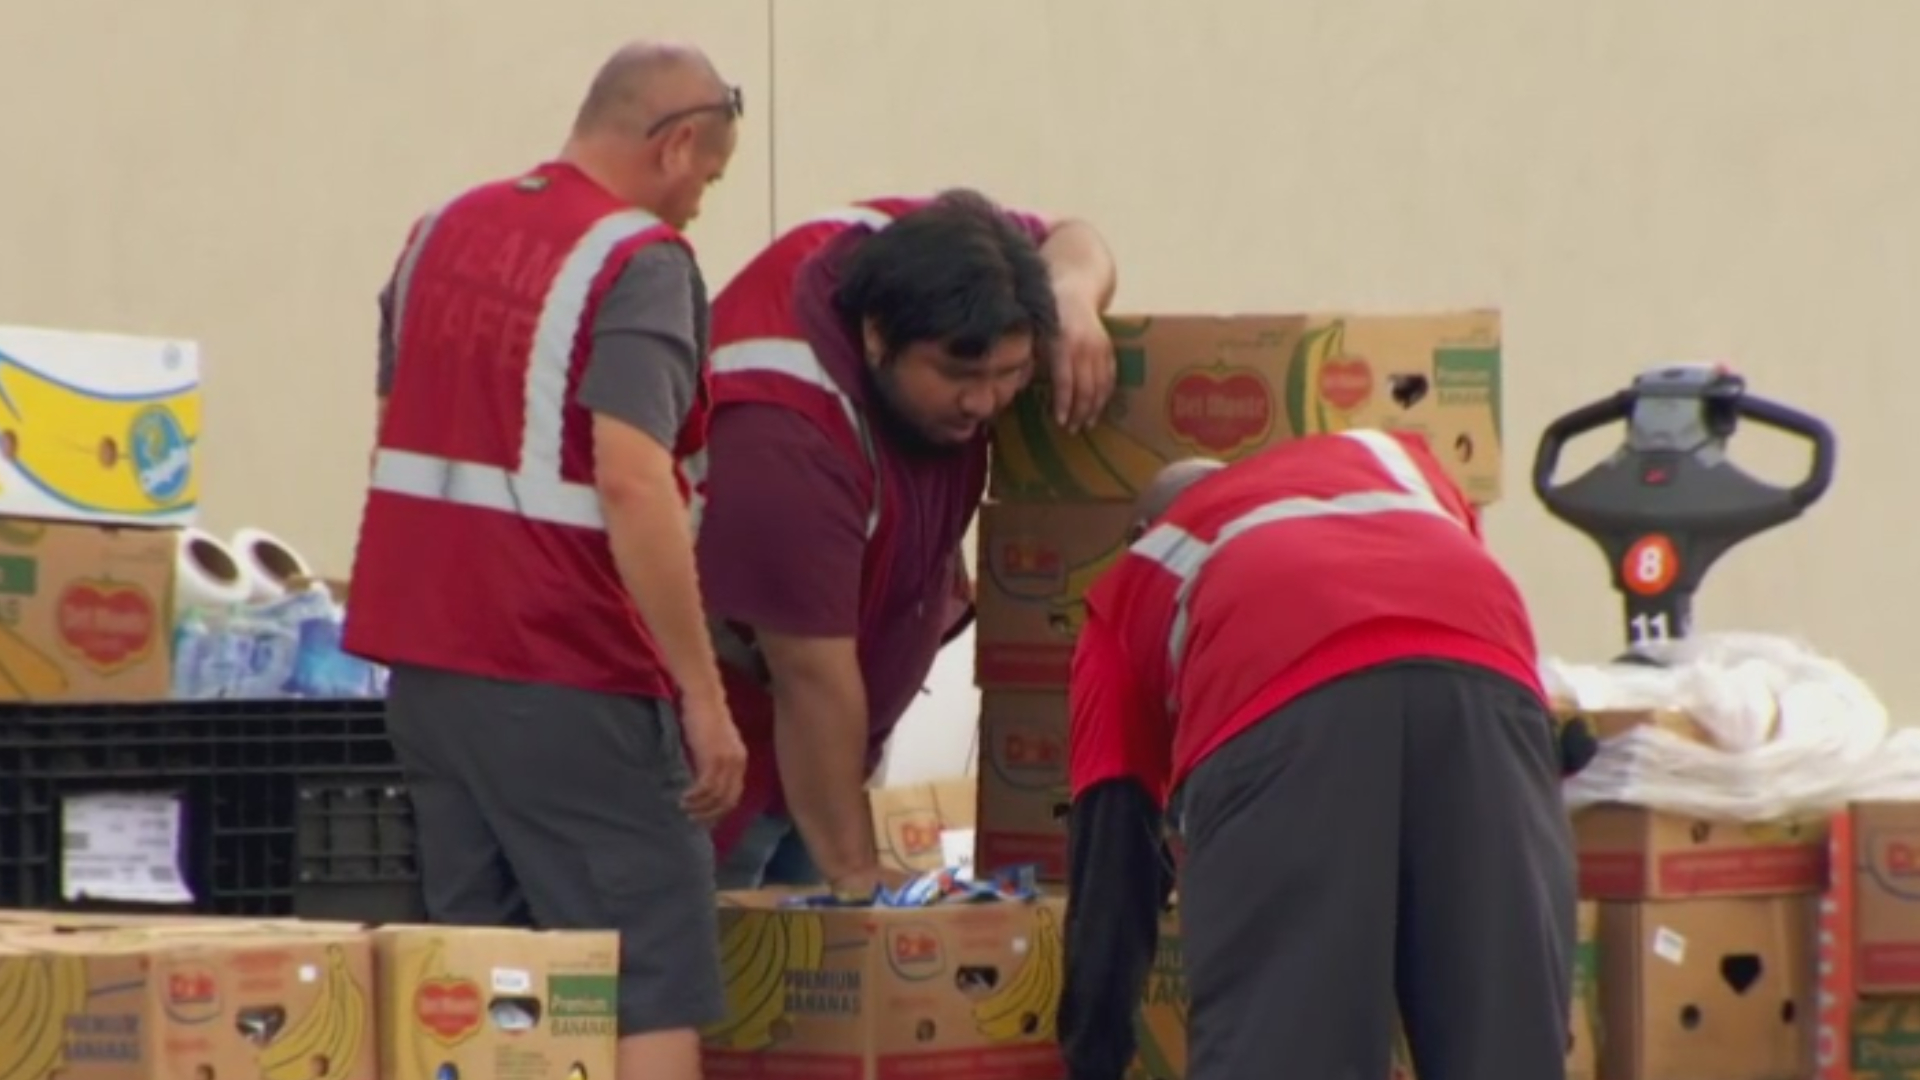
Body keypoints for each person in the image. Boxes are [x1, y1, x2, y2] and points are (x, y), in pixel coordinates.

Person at [343, 40, 747, 1080]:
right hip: (570, 669)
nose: (700, 202)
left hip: (428, 672)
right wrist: (702, 696)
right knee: (642, 972)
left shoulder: (442, 232)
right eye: (707, 176)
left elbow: (398, 430)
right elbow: (631, 477)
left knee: (487, 989)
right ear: (679, 142)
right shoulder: (640, 263)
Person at [1057, 431, 1590, 1080]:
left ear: (1142, 529)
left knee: (1286, 1045)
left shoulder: (1133, 584)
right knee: (1505, 1041)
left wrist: (1093, 1053)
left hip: (1279, 715)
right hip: (1489, 678)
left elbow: (1114, 851)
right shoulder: (1389, 457)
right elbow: (1436, 633)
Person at [694, 191, 1119, 894]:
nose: (983, 404)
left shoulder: (923, 245)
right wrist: (862, 885)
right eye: (957, 376)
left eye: (1009, 375)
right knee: (743, 966)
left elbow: (1074, 235)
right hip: (727, 763)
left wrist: (1070, 296)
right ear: (876, 338)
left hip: (832, 741)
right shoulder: (785, 437)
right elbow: (811, 684)